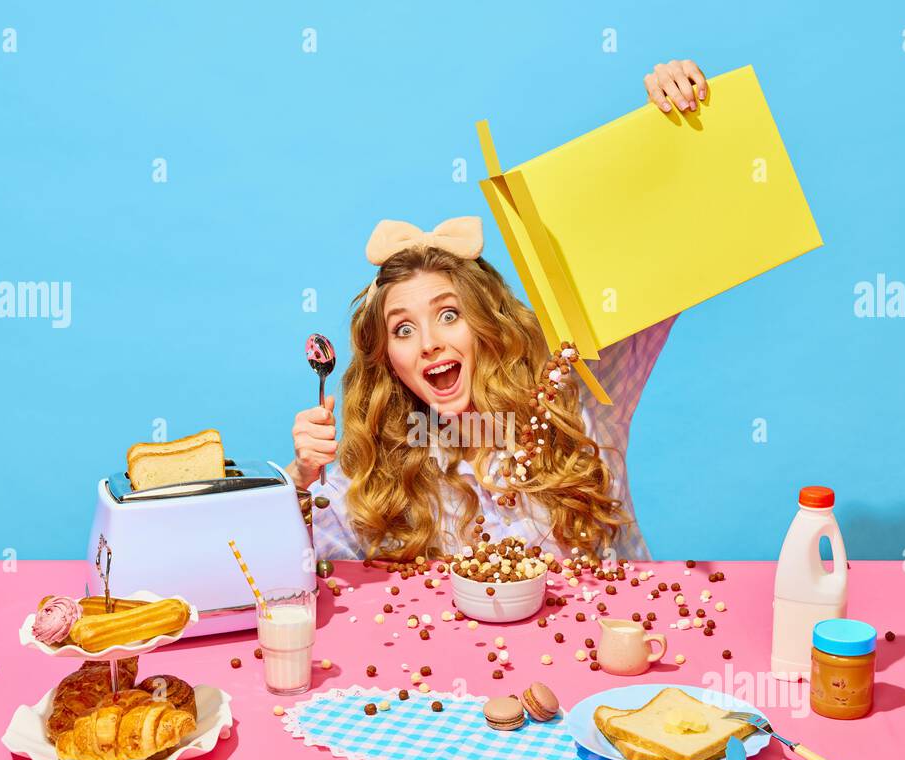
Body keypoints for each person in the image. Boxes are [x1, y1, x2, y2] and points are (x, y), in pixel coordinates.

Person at [286, 59, 710, 564]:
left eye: (448, 315)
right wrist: (299, 481)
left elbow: (665, 267)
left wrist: (668, 125)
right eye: (403, 329)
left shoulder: (575, 395)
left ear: (486, 323)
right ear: (387, 359)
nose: (429, 343)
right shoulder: (377, 473)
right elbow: (298, 574)